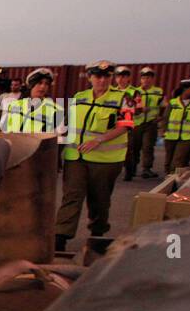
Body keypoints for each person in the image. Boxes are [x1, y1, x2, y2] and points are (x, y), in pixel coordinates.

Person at [54, 60, 133, 253]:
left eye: (106, 76)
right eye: (97, 76)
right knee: (71, 197)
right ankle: (60, 238)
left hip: (106, 161)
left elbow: (126, 125)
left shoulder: (124, 98)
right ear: (90, 77)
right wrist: (56, 151)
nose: (102, 80)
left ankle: (97, 234)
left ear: (111, 78)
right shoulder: (79, 97)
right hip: (76, 158)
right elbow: (66, 125)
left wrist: (99, 140)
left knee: (99, 201)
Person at [3, 68, 65, 133]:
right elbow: (4, 130)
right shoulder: (14, 105)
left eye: (46, 83)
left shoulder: (57, 110)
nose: (43, 86)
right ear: (31, 85)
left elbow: (58, 138)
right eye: (39, 83)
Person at [128, 66, 163, 179]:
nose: (146, 80)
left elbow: (164, 104)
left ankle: (146, 169)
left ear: (152, 79)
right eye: (144, 77)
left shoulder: (158, 92)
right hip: (136, 123)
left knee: (148, 146)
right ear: (140, 79)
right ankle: (132, 168)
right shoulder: (135, 92)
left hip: (150, 123)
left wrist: (161, 116)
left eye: (148, 77)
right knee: (134, 147)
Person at [162, 78, 190, 175]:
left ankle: (173, 177)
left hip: (188, 137)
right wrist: (163, 130)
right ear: (185, 89)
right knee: (169, 158)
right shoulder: (173, 102)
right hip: (171, 135)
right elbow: (166, 117)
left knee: (179, 158)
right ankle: (168, 175)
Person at [112, 66, 144, 180]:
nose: (121, 79)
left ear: (128, 78)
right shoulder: (112, 91)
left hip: (131, 125)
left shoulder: (135, 92)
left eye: (124, 76)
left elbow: (139, 109)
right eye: (119, 76)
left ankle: (129, 172)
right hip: (114, 125)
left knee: (129, 149)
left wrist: (127, 110)